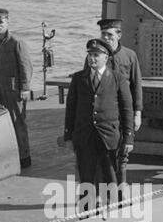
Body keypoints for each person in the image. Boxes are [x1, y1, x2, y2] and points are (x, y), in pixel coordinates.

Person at [60, 38, 133, 202]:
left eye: (96, 55)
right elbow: (71, 108)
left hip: (108, 137)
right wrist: (68, 135)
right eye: (90, 55)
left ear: (106, 57)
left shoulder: (117, 78)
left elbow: (126, 109)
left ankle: (114, 210)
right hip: (84, 136)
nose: (92, 58)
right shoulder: (79, 79)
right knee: (86, 176)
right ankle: (86, 212)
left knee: (110, 176)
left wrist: (128, 137)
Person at [0, 8, 34, 171]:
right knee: (4, 123)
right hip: (0, 89)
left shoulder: (16, 42)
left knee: (18, 122)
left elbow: (25, 66)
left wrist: (25, 88)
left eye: (1, 22)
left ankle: (24, 157)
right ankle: (10, 155)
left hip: (15, 90)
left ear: (7, 22)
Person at [99, 18, 143, 177]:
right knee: (103, 154)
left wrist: (138, 113)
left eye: (110, 35)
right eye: (103, 34)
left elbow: (137, 85)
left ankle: (121, 192)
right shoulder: (96, 56)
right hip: (104, 112)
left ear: (119, 35)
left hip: (124, 111)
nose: (106, 38)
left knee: (123, 152)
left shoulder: (129, 56)